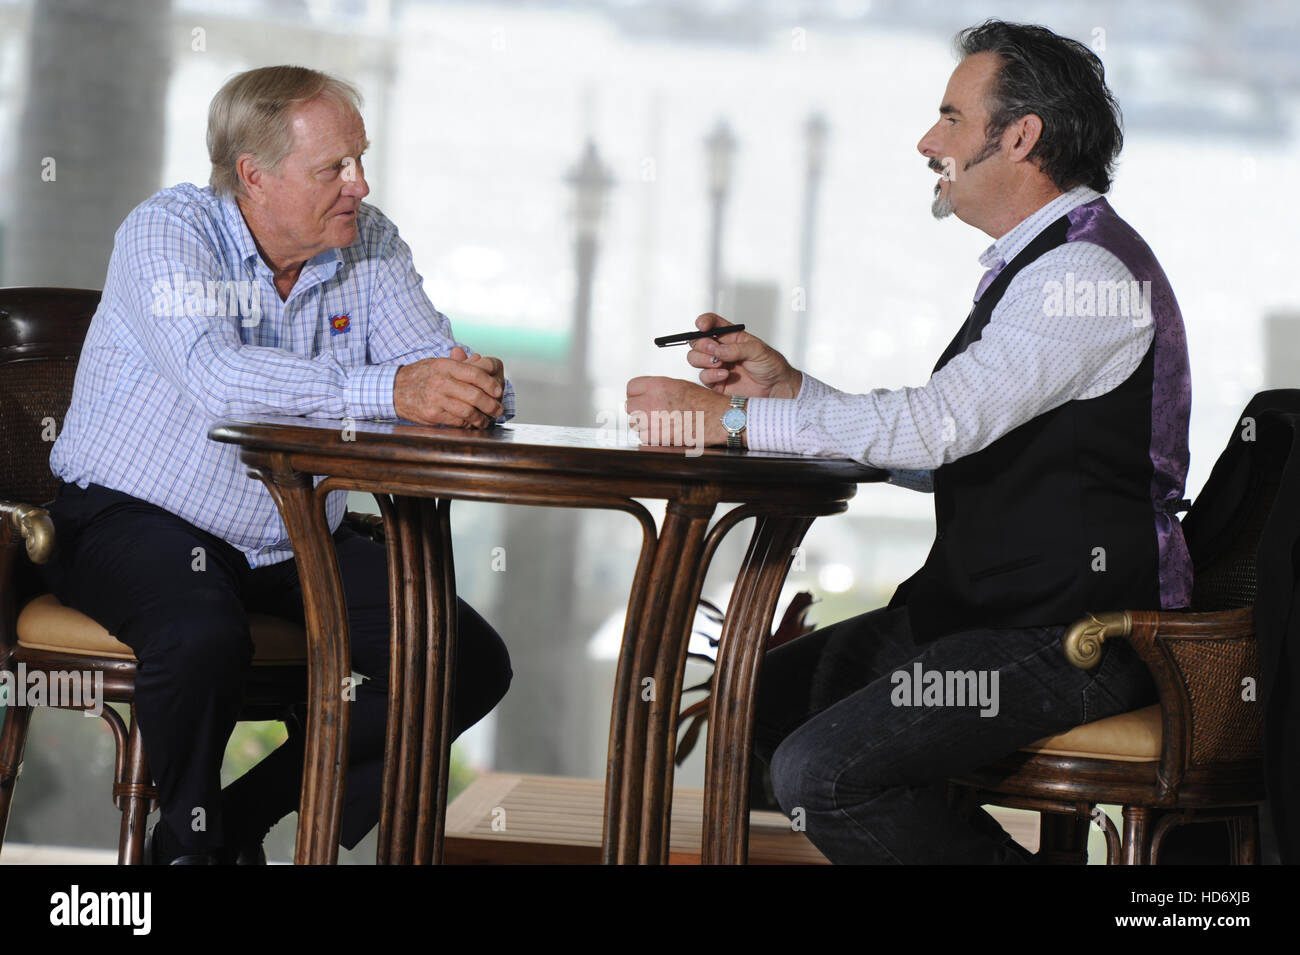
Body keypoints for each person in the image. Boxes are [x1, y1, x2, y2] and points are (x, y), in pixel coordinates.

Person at [626, 20, 1191, 863]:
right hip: (988, 617)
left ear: (1021, 136)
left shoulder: (1083, 278)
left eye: (951, 120)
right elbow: (939, 450)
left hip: (1077, 636)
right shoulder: (1042, 265)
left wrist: (734, 423)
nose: (929, 141)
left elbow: (933, 424)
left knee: (825, 773)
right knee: (757, 702)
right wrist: (787, 392)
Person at [40, 66, 515, 864]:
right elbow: (220, 381)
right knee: (198, 634)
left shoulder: (369, 240)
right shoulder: (167, 232)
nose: (359, 185)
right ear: (254, 176)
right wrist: (397, 389)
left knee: (462, 659)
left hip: (295, 536)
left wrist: (473, 390)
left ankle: (237, 819)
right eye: (335, 167)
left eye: (359, 161)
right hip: (133, 516)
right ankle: (191, 846)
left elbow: (433, 365)